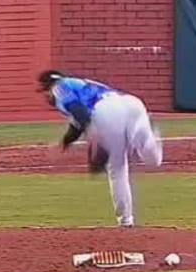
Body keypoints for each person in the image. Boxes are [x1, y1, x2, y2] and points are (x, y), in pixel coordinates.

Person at [39, 70, 163, 229]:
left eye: (45, 91)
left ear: (49, 86)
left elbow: (79, 111)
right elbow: (77, 123)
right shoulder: (81, 83)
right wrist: (65, 142)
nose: (46, 96)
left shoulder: (59, 87)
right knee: (153, 160)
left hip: (106, 112)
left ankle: (126, 222)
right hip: (131, 103)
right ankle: (146, 134)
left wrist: (93, 137)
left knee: (117, 169)